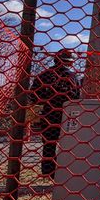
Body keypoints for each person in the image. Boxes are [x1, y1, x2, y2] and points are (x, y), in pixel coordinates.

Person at [30, 49, 79, 180]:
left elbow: (34, 96)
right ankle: (61, 172)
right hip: (67, 115)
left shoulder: (44, 75)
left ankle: (49, 172)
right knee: (66, 145)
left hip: (50, 115)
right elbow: (78, 97)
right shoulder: (73, 77)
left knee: (49, 145)